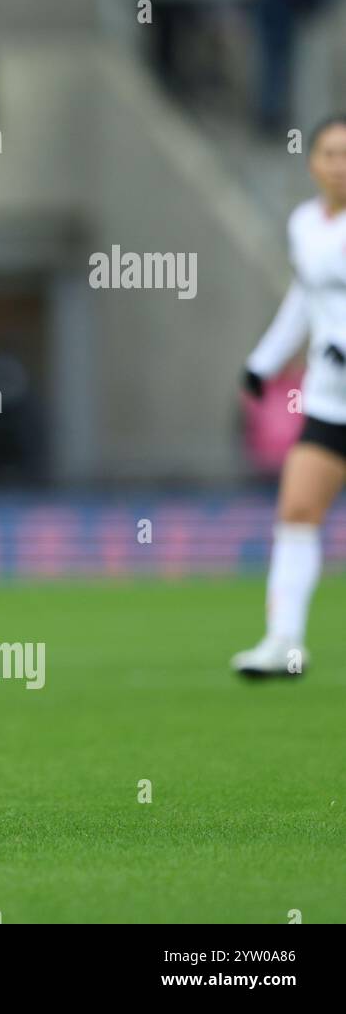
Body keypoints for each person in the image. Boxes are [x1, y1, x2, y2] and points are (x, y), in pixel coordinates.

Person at [235, 113, 346, 676]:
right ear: (313, 162)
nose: (340, 166)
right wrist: (264, 361)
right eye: (331, 153)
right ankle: (284, 643)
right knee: (298, 511)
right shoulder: (306, 223)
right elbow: (304, 300)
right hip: (330, 400)